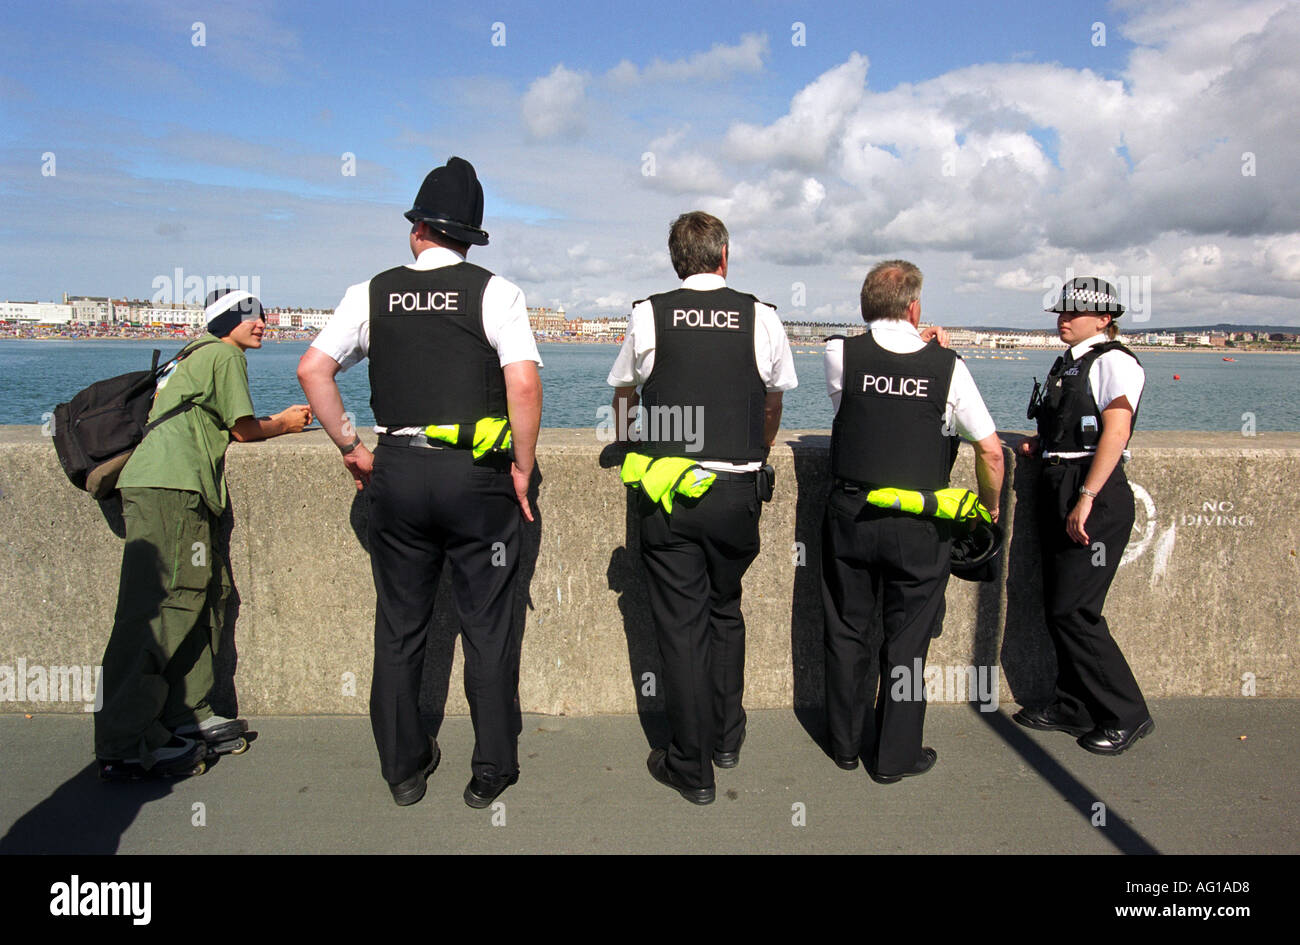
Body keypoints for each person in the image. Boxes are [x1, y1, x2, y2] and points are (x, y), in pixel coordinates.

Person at [297, 156, 542, 808]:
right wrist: (520, 466)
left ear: (416, 231)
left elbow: (313, 371)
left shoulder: (370, 292)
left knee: (400, 626)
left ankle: (405, 769)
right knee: (487, 627)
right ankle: (490, 768)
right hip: (478, 479)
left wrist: (352, 445)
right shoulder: (497, 292)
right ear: (470, 237)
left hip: (399, 473)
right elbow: (522, 382)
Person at [607, 211, 796, 805]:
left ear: (675, 261)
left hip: (670, 495)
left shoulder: (648, 314)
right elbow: (772, 401)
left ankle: (691, 766)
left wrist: (628, 438)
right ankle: (726, 738)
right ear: (724, 257)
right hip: (738, 493)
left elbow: (624, 393)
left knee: (681, 627)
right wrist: (755, 452)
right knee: (725, 610)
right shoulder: (762, 316)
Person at [96, 290, 312, 780]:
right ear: (228, 321)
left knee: (197, 598)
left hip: (167, 485)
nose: (263, 325)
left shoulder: (191, 353)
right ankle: (124, 740)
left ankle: (185, 715)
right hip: (171, 486)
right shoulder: (221, 354)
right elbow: (243, 430)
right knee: (161, 607)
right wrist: (286, 422)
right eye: (252, 318)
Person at [821, 260, 1004, 783]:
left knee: (846, 629)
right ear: (915, 306)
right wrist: (988, 510)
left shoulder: (839, 354)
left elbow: (867, 389)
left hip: (852, 514)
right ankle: (895, 756)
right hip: (919, 526)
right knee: (907, 644)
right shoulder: (949, 367)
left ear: (865, 305)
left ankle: (845, 745)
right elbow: (992, 453)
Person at [1015, 277, 1153, 755]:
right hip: (1061, 481)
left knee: (1075, 610)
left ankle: (1127, 714)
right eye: (1061, 313)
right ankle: (1073, 705)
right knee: (1058, 603)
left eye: (1073, 314)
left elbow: (1116, 433)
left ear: (1105, 320)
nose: (1063, 320)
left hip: (1092, 492)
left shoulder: (1114, 362)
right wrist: (1044, 445)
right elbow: (1073, 422)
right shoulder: (1070, 362)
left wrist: (1088, 495)